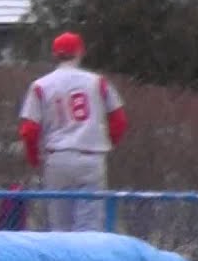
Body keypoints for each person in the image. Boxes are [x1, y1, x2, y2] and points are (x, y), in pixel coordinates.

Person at [18, 31, 128, 232]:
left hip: (58, 157)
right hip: (91, 157)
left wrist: (34, 158)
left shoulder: (41, 85)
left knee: (60, 227)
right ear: (80, 52)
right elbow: (119, 119)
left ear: (55, 54)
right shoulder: (97, 81)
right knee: (90, 227)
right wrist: (108, 142)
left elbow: (29, 129)